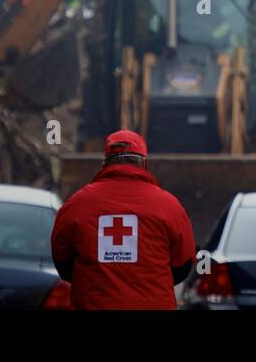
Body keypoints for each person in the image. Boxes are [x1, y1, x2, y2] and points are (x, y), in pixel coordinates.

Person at [50, 130, 195, 310]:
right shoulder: (169, 206)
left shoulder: (76, 205)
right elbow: (183, 264)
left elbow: (62, 262)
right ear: (143, 163)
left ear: (105, 163)